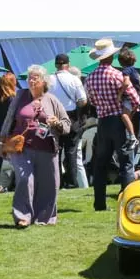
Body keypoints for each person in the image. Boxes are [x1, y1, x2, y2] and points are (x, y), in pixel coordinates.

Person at [0, 64, 70, 227]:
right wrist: (2, 143)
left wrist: (56, 123)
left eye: (35, 78)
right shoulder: (20, 96)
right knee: (25, 179)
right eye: (29, 77)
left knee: (48, 184)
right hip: (22, 147)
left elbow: (67, 125)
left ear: (44, 81)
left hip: (47, 148)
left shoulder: (52, 100)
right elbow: (8, 119)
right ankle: (23, 216)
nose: (31, 81)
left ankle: (44, 217)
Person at [85, 38, 139, 211]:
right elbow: (135, 98)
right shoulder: (117, 75)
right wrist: (128, 111)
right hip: (118, 120)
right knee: (126, 163)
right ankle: (127, 203)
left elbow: (91, 101)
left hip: (103, 122)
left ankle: (99, 203)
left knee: (100, 164)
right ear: (111, 57)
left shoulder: (90, 78)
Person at [48, 54, 88, 189]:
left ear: (55, 65)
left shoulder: (49, 79)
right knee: (71, 151)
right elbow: (83, 101)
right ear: (68, 64)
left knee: (55, 151)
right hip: (71, 117)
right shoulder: (74, 80)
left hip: (54, 117)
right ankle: (72, 183)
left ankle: (56, 182)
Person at [115, 47, 140, 153]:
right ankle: (130, 138)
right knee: (129, 120)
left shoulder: (126, 70)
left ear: (121, 61)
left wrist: (119, 94)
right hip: (137, 97)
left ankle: (132, 138)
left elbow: (126, 83)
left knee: (124, 116)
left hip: (130, 97)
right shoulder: (133, 69)